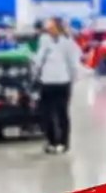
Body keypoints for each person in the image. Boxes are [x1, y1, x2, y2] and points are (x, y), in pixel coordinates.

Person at [33, 18, 82, 154]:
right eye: (47, 26)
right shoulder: (44, 40)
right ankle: (51, 141)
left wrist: (73, 79)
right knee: (46, 114)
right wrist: (36, 73)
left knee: (61, 113)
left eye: (51, 26)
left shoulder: (68, 42)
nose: (48, 28)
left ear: (58, 27)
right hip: (46, 82)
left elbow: (73, 63)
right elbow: (38, 59)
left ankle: (63, 142)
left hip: (62, 82)